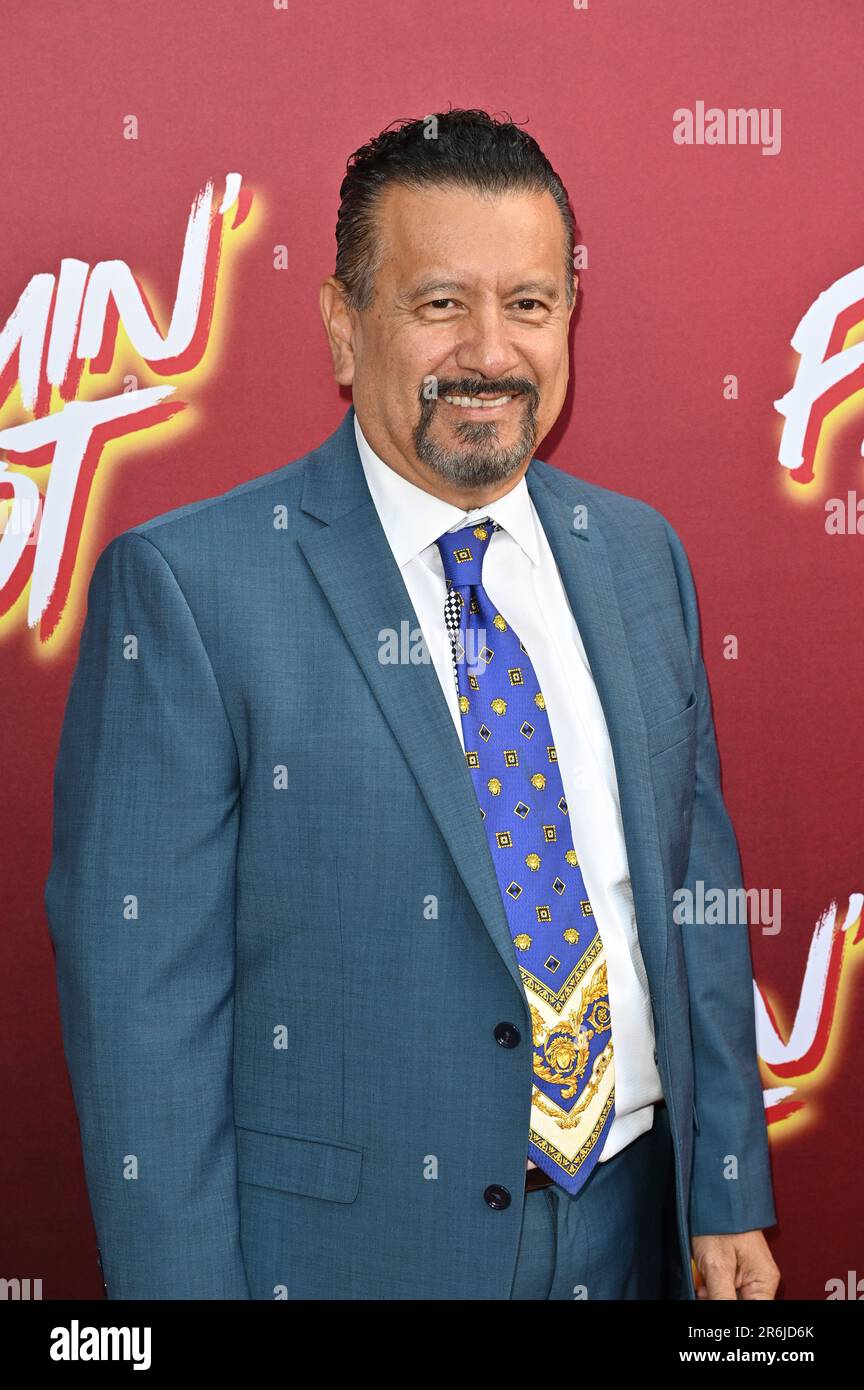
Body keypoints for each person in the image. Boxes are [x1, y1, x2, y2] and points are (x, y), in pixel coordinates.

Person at [45, 108, 779, 1300]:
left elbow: (692, 898)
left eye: (530, 305)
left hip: (632, 1233)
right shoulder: (189, 589)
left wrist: (729, 1186)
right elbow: (143, 1031)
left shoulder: (642, 558)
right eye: (440, 303)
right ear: (344, 327)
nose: (490, 350)